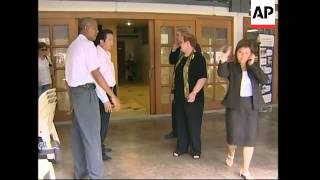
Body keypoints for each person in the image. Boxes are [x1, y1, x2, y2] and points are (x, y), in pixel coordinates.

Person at [65, 17, 120, 179]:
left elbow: (67, 78)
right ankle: (96, 175)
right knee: (92, 137)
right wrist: (111, 96)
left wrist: (70, 100)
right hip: (86, 93)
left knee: (78, 137)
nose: (97, 32)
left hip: (76, 94)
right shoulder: (87, 45)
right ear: (86, 28)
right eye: (95, 28)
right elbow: (96, 73)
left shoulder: (72, 46)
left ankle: (80, 173)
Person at [217, 39, 268, 179]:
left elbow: (265, 80)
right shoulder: (231, 67)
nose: (243, 55)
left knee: (249, 139)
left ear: (251, 54)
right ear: (236, 53)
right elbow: (221, 73)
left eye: (246, 52)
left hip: (251, 106)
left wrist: (252, 66)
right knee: (232, 138)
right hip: (234, 105)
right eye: (240, 52)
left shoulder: (254, 67)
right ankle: (231, 154)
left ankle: (245, 170)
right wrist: (223, 58)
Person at [171, 32, 207, 159]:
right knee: (180, 122)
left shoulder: (198, 58)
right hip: (180, 98)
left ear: (188, 43)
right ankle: (181, 147)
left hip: (193, 98)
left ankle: (196, 150)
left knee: (193, 123)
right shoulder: (181, 57)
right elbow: (177, 78)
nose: (180, 43)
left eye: (181, 42)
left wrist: (194, 93)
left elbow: (202, 78)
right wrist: (173, 93)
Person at [164, 29, 202, 139]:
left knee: (188, 115)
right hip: (178, 84)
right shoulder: (179, 47)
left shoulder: (193, 47)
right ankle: (176, 131)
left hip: (189, 88)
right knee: (176, 111)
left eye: (179, 35)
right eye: (176, 35)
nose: (177, 37)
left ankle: (188, 137)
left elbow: (197, 65)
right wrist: (174, 47)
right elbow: (172, 60)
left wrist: (194, 91)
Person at [94, 29, 117, 161]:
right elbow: (97, 80)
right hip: (102, 95)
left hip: (108, 92)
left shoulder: (106, 53)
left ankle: (101, 145)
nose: (112, 43)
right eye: (110, 40)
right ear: (102, 41)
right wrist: (105, 100)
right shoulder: (98, 55)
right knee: (101, 124)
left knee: (105, 123)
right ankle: (98, 152)